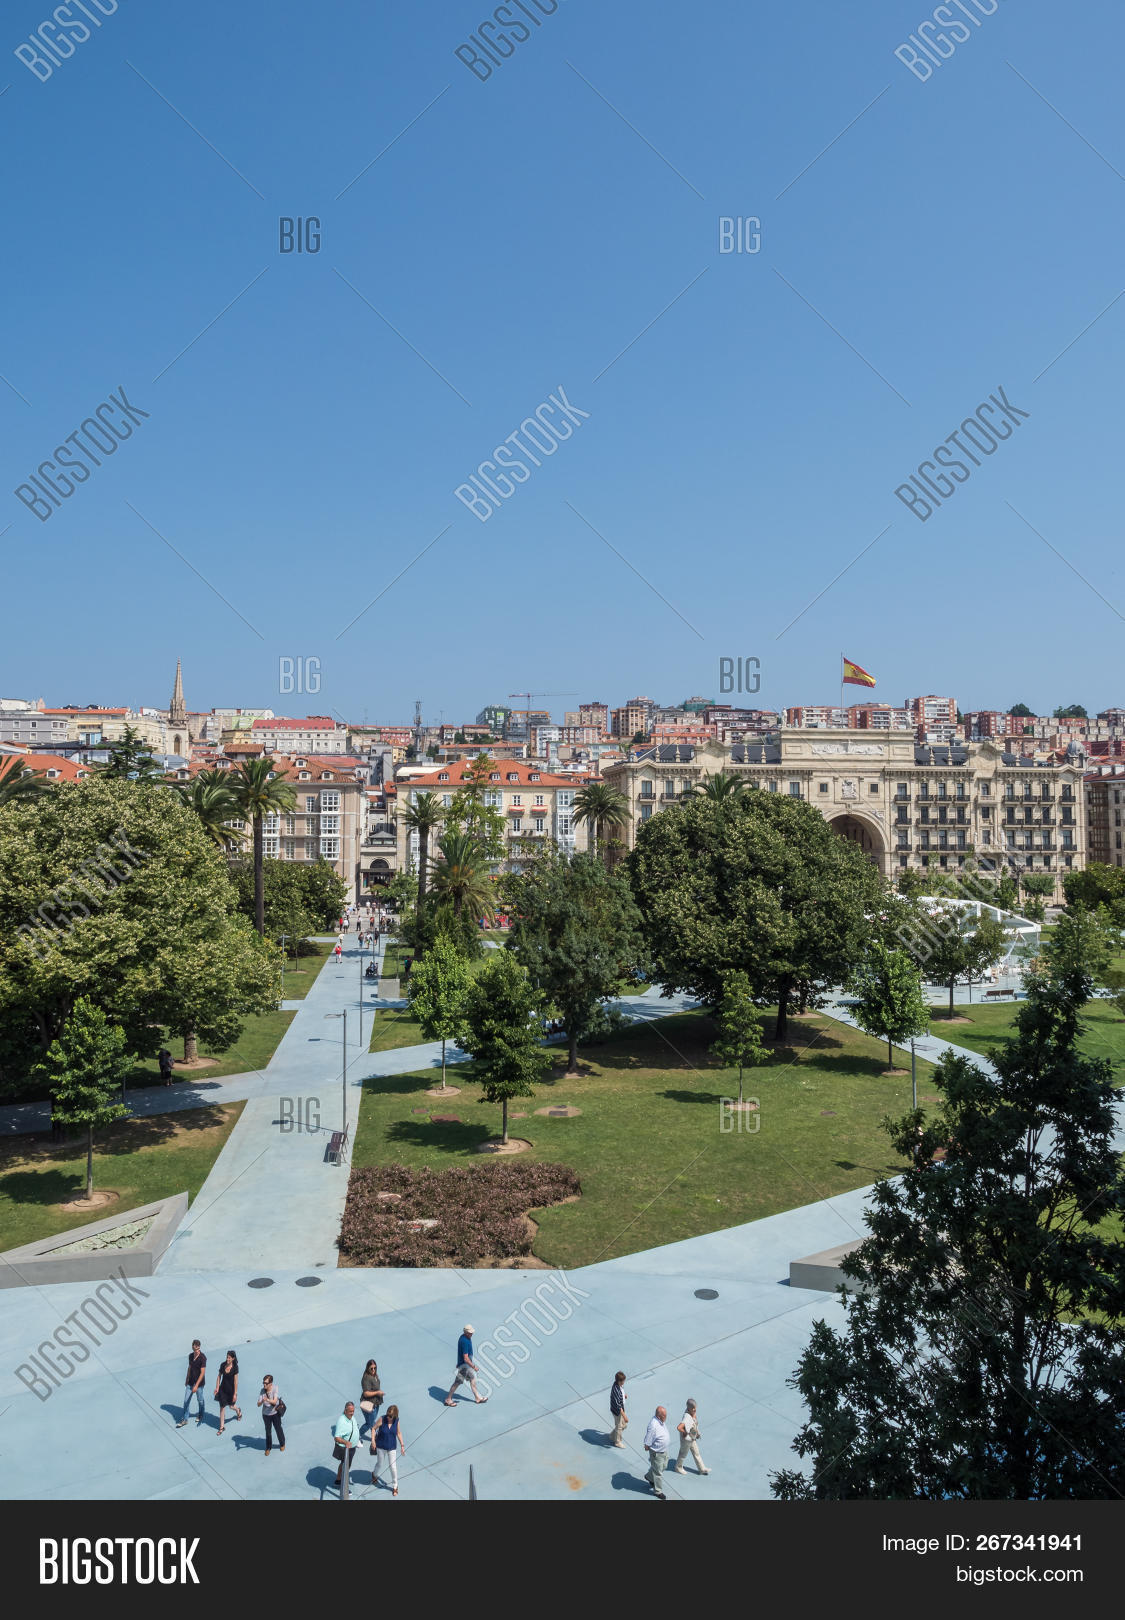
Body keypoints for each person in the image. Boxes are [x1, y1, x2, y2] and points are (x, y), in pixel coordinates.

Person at [444, 1324, 488, 1406]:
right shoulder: (464, 1341)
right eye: (470, 1332)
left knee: (472, 1380)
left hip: (465, 1366)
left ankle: (477, 1398)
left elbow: (461, 1353)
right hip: (464, 1368)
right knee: (457, 1382)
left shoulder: (465, 1337)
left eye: (472, 1332)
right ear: (465, 1332)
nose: (472, 1334)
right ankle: (448, 1399)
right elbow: (466, 1358)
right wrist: (474, 1367)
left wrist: (459, 1363)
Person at [371, 1405, 406, 1495]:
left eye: (390, 1416)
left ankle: (395, 1486)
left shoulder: (396, 1421)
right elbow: (374, 1428)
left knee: (393, 1467)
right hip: (381, 1446)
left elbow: (398, 1433)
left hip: (391, 1447)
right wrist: (373, 1441)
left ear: (395, 1416)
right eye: (387, 1415)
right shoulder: (382, 1419)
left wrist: (402, 1445)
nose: (388, 1417)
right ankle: (374, 1474)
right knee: (379, 1464)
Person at [674, 1398, 709, 1475]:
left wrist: (697, 1433)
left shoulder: (692, 1412)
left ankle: (702, 1469)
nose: (695, 1410)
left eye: (695, 1408)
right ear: (689, 1408)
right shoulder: (686, 1417)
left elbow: (695, 1423)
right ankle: (678, 1467)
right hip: (686, 1439)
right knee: (683, 1454)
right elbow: (679, 1427)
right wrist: (685, 1432)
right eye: (693, 1409)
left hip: (692, 1437)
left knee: (696, 1452)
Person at [176, 1340, 207, 1427]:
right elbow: (189, 1368)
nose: (193, 1347)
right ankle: (185, 1419)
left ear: (199, 1347)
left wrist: (196, 1385)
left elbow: (202, 1373)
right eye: (193, 1345)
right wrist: (187, 1379)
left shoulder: (202, 1358)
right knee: (186, 1401)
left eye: (195, 1346)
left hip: (199, 1385)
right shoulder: (190, 1356)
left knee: (200, 1401)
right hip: (190, 1383)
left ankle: (201, 1414)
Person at [642, 1406, 671, 1498]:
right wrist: (648, 1448)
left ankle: (649, 1476)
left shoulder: (661, 1421)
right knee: (658, 1472)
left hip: (664, 1450)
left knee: (664, 1466)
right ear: (659, 1416)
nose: (666, 1417)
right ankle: (657, 1491)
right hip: (657, 1453)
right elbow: (647, 1441)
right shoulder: (653, 1425)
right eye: (664, 1415)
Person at [334, 1401, 361, 1488]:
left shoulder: (351, 1417)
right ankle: (344, 1486)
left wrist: (356, 1440)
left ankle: (338, 1479)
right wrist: (346, 1442)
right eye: (350, 1411)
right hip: (345, 1448)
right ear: (345, 1411)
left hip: (352, 1447)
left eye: (353, 1411)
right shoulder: (341, 1421)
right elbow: (336, 1437)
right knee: (346, 1466)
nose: (352, 1413)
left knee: (343, 1464)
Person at [214, 1350, 242, 1434]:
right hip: (222, 1389)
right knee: (222, 1407)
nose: (227, 1359)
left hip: (231, 1391)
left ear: (233, 1358)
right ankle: (221, 1427)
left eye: (229, 1358)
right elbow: (219, 1377)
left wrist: (235, 1394)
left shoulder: (235, 1367)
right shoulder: (223, 1365)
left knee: (231, 1406)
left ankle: (238, 1411)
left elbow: (236, 1382)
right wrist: (217, 1388)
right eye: (227, 1357)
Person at [359, 1359, 384, 1445]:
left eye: (375, 1368)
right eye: (371, 1368)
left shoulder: (375, 1375)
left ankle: (376, 1436)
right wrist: (377, 1392)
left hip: (376, 1403)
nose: (373, 1370)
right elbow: (366, 1393)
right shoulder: (366, 1378)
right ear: (367, 1368)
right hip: (368, 1404)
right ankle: (357, 1436)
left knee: (372, 1421)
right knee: (369, 1424)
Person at [258, 1374, 285, 1454]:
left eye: (266, 1383)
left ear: (271, 1383)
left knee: (278, 1429)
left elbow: (275, 1401)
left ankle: (282, 1443)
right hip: (266, 1415)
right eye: (263, 1383)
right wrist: (262, 1401)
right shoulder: (262, 1391)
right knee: (268, 1431)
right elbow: (258, 1404)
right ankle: (268, 1447)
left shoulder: (275, 1388)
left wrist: (267, 1400)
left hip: (275, 1413)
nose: (264, 1385)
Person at [609, 1370, 628, 1448]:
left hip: (620, 1409)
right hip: (617, 1411)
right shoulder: (616, 1390)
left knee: (623, 1425)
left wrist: (624, 1396)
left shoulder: (619, 1385)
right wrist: (625, 1416)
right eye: (623, 1381)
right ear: (619, 1381)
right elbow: (618, 1406)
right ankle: (617, 1442)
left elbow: (622, 1392)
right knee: (620, 1426)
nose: (624, 1382)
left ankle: (612, 1435)